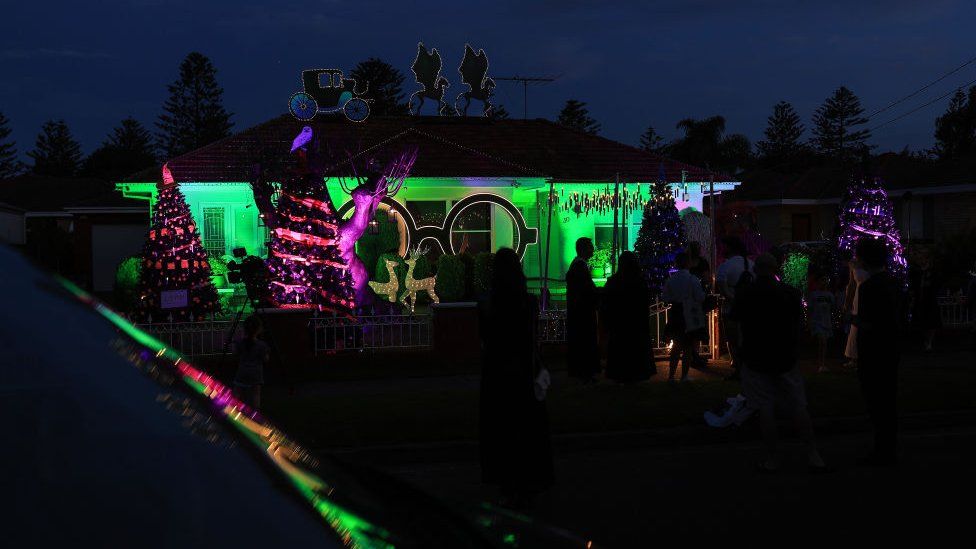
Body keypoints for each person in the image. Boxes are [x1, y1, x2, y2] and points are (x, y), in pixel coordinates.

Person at [731, 253, 826, 473]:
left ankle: (773, 458)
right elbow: (798, 324)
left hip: (756, 356)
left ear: (756, 270)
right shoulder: (790, 293)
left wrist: (740, 354)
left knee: (765, 407)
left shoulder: (746, 293)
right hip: (785, 355)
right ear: (775, 270)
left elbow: (737, 325)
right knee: (798, 405)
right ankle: (813, 454)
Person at [479, 248, 554, 508]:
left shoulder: (488, 303)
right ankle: (528, 480)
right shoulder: (528, 302)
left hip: (498, 373)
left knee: (502, 428)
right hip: (522, 372)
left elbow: (485, 339)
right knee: (526, 427)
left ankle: (506, 482)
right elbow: (532, 338)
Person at [853, 237, 903, 466]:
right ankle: (888, 447)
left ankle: (882, 450)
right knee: (888, 400)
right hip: (890, 350)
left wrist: (852, 320)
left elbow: (868, 323)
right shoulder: (893, 284)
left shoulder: (869, 288)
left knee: (876, 401)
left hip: (873, 353)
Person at [602, 251, 654, 383]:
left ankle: (620, 374)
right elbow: (644, 303)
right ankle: (636, 374)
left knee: (620, 349)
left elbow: (607, 303)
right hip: (636, 323)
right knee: (635, 349)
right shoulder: (639, 281)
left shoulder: (614, 281)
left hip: (619, 323)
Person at [662, 252, 706, 382]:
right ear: (688, 263)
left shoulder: (671, 280)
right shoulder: (693, 279)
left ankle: (671, 375)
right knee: (687, 346)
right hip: (689, 313)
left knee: (676, 345)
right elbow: (700, 297)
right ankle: (684, 375)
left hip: (676, 313)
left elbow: (665, 298)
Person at [716, 237, 754, 377]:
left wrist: (732, 298)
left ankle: (738, 366)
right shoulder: (751, 264)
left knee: (732, 338)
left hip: (730, 309)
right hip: (749, 308)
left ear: (730, 248)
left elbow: (722, 287)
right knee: (747, 338)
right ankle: (747, 367)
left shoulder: (725, 266)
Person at [566, 237, 600, 382]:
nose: (593, 250)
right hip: (582, 313)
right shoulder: (580, 266)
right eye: (590, 247)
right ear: (583, 249)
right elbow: (586, 289)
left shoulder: (578, 264)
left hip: (579, 311)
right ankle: (585, 372)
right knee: (585, 342)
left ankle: (583, 372)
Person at [234, 315, 269, 408]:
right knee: (255, 396)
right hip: (256, 373)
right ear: (259, 329)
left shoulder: (240, 343)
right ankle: (254, 413)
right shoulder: (262, 345)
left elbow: (236, 355)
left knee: (239, 395)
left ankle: (238, 412)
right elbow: (265, 359)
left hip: (242, 371)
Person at [909, 249, 941, 352]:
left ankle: (929, 341)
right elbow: (913, 285)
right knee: (921, 321)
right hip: (920, 299)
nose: (921, 260)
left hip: (930, 300)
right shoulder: (916, 271)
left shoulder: (933, 271)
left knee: (931, 322)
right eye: (920, 258)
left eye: (923, 258)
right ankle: (925, 340)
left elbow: (936, 284)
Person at [843, 260, 871, 368]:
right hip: (858, 297)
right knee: (855, 327)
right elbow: (851, 283)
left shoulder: (870, 263)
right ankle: (854, 358)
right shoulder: (854, 264)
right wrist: (847, 302)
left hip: (868, 297)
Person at [807, 273, 835, 373]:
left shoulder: (830, 295)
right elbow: (810, 309)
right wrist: (809, 322)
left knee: (824, 343)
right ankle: (820, 363)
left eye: (826, 280)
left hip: (826, 322)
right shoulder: (814, 295)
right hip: (817, 322)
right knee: (822, 341)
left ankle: (822, 363)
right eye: (822, 280)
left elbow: (832, 309)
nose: (824, 282)